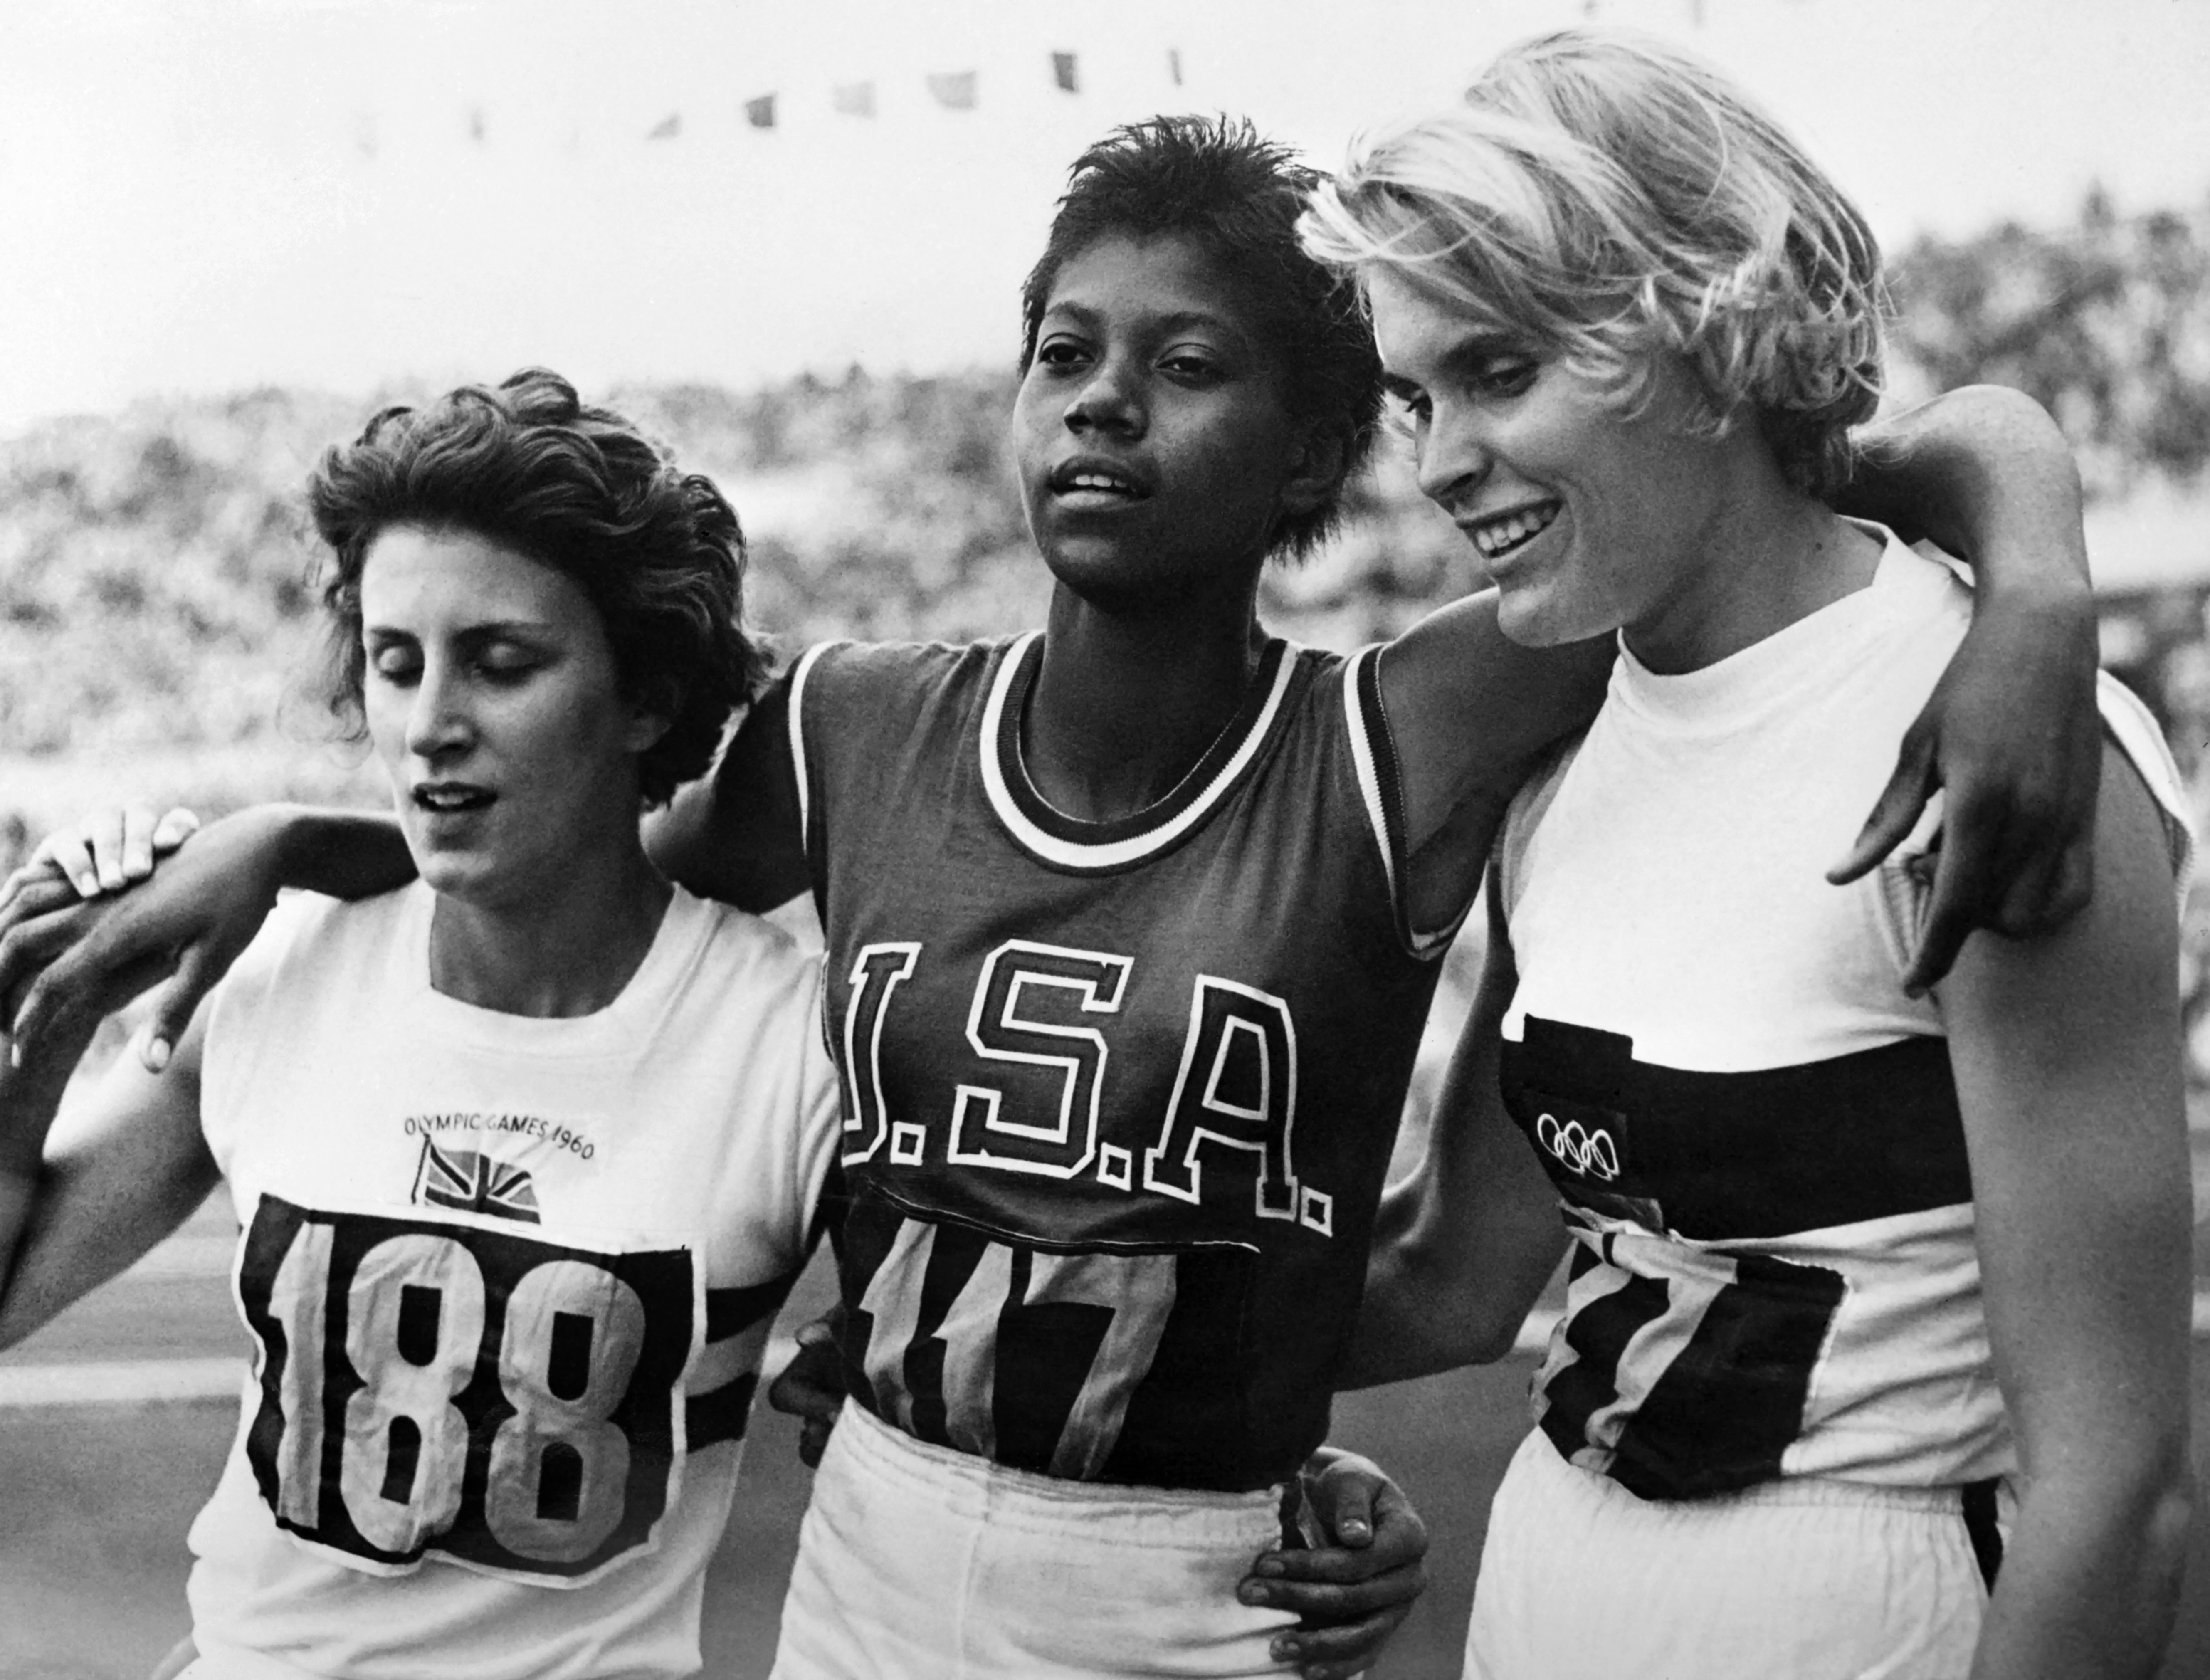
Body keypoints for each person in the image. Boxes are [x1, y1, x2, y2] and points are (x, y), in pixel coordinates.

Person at [0, 116, 2106, 1680]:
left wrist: (2031, 584)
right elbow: (552, 854)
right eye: (1064, 351)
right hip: (870, 1563)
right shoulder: (845, 728)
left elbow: (1806, 465)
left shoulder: (1420, 725)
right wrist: (287, 841)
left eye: (1188, 364)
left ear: (1315, 452)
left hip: (1205, 1594)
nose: (1105, 397)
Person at [1298, 27, 2196, 1679]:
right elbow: (1449, 1277)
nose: (1434, 463)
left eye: (1501, 374)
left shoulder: (1985, 727)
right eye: (1416, 398)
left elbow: (2114, 1486)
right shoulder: (1551, 751)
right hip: (1544, 1579)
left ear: (1712, 330)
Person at [0, 370, 847, 1676]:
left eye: (501, 665)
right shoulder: (274, 975)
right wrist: (43, 1012)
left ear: (647, 699)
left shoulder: (786, 1045)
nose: (431, 726)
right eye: (395, 665)